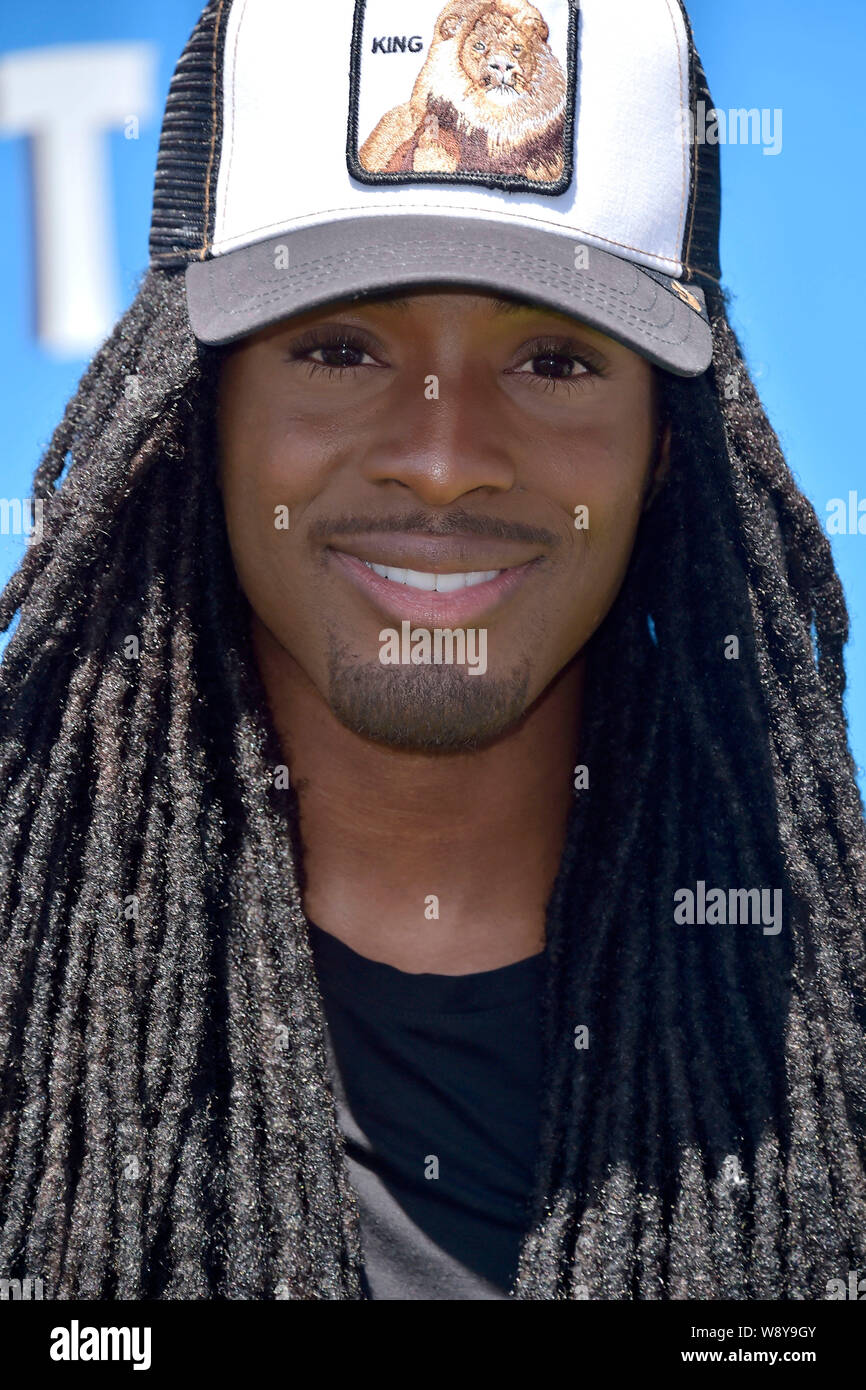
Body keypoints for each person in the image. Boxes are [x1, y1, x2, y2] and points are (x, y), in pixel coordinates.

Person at [1, 0, 864, 1301]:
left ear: (667, 448)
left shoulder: (824, 1055)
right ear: (192, 415)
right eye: (339, 347)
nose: (446, 459)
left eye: (555, 359)